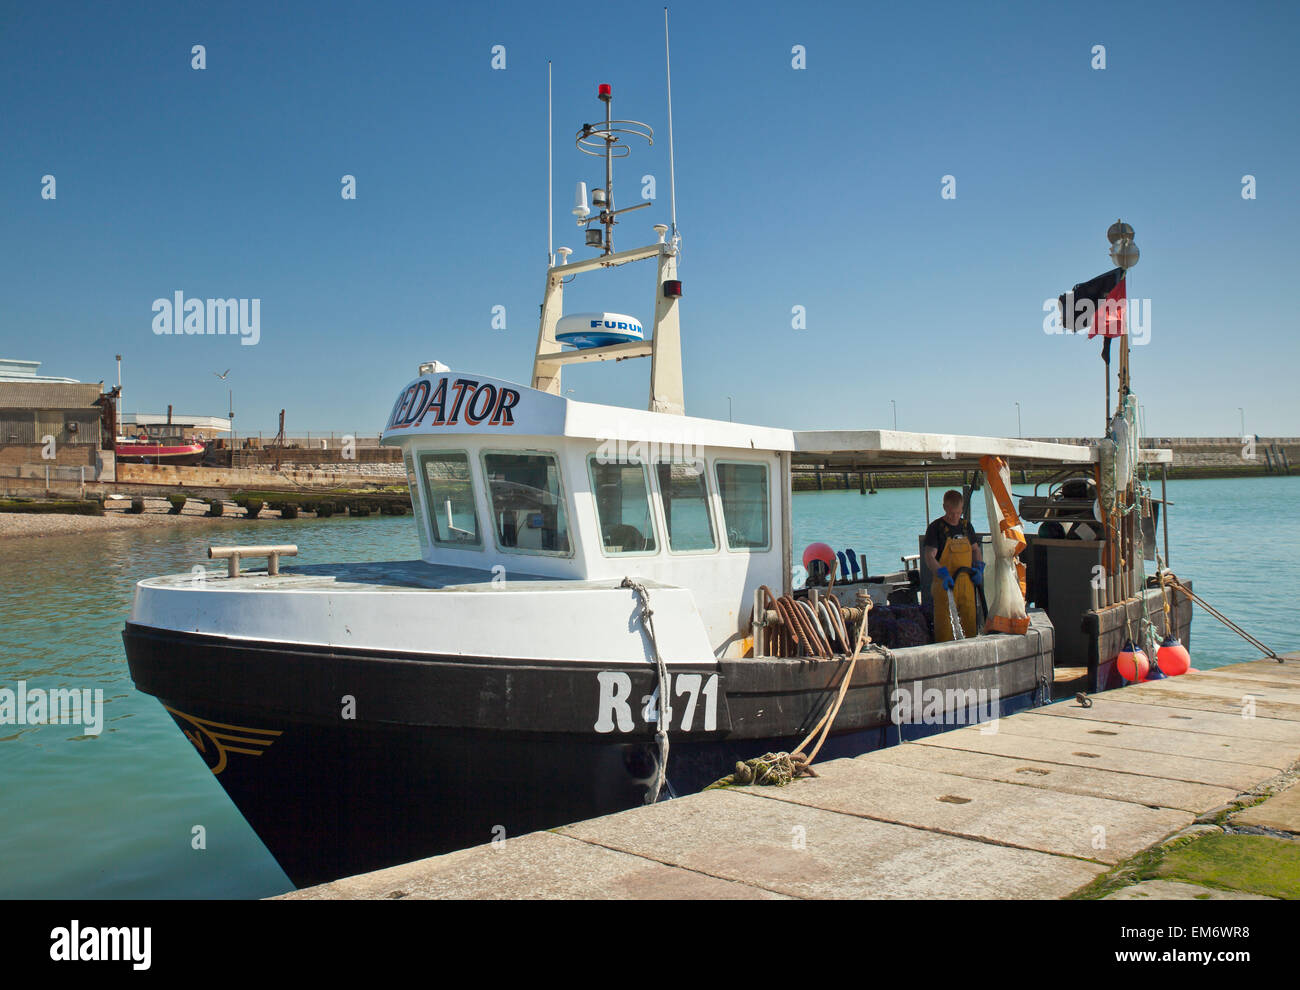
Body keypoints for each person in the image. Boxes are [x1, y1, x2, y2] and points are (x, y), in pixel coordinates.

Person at [923, 490, 984, 641]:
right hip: (946, 585)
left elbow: (976, 550)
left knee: (970, 627)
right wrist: (941, 574)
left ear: (962, 509)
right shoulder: (936, 528)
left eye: (958, 512)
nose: (955, 516)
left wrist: (979, 568)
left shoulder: (966, 526)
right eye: (951, 513)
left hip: (967, 584)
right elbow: (929, 556)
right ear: (945, 507)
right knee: (945, 630)